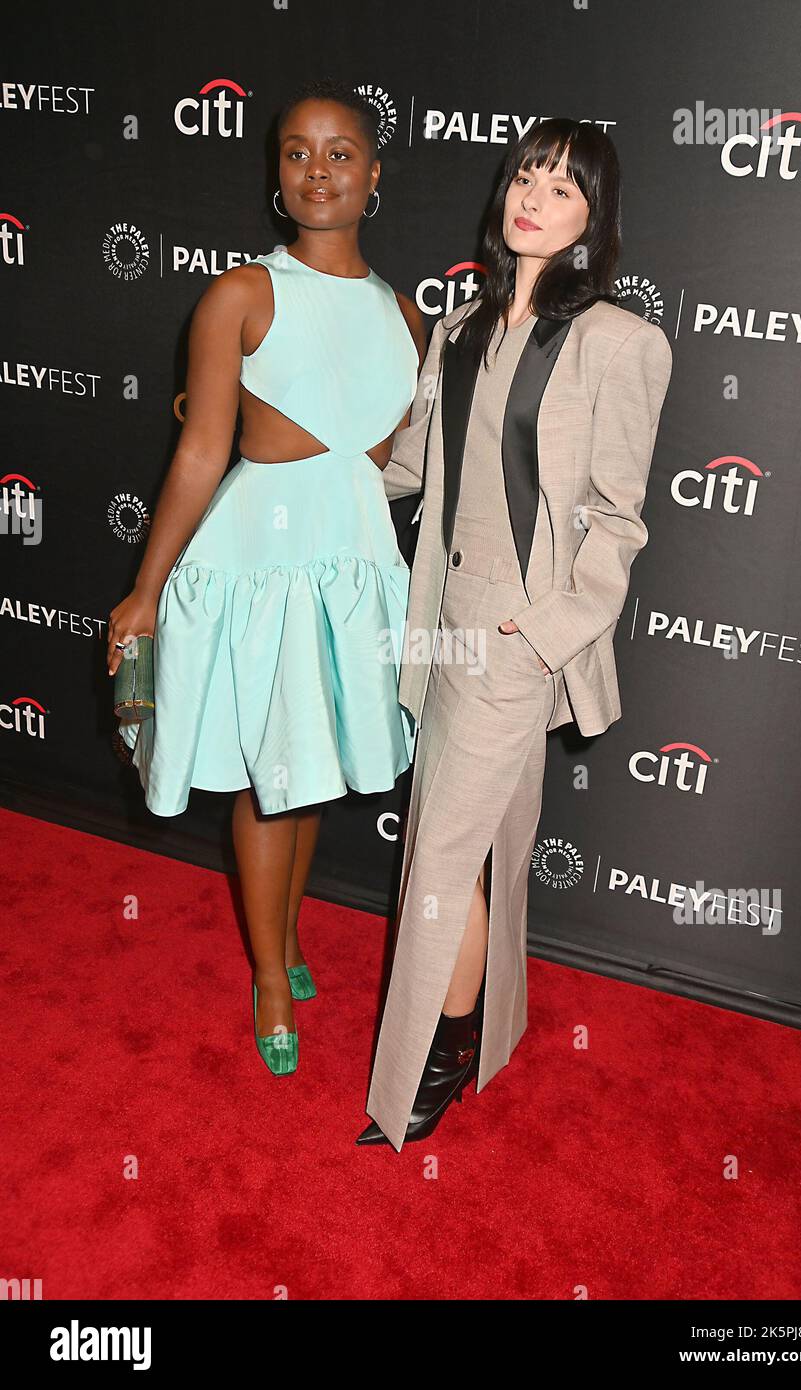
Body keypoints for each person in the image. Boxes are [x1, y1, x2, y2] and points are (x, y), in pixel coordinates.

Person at [355, 117, 674, 1150]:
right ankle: (492, 1028)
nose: (535, 195)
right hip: (441, 618)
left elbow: (619, 521)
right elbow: (409, 470)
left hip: (516, 632)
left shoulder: (619, 342)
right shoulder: (459, 328)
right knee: (487, 840)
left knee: (437, 858)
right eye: (527, 174)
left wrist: (538, 637)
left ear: (592, 222)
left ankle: (430, 1060)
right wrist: (296, 468)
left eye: (564, 187)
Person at [107, 79, 426, 1077]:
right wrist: (145, 589)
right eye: (296, 152)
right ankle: (269, 975)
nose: (317, 170)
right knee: (274, 770)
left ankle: (284, 935)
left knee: (314, 765)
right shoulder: (242, 294)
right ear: (275, 174)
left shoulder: (405, 315)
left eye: (340, 153)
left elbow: (384, 465)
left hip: (353, 566)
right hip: (262, 562)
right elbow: (201, 451)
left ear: (374, 174)